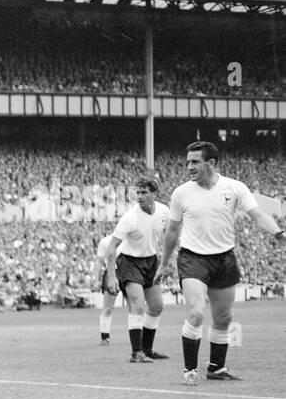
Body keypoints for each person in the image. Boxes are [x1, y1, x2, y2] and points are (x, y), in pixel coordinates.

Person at [159, 141, 286, 385]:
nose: (189, 167)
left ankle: (216, 369)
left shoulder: (235, 188)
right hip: (192, 257)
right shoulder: (181, 193)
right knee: (196, 312)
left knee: (224, 317)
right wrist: (164, 263)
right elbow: (172, 230)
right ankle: (190, 370)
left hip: (224, 257)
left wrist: (278, 233)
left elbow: (257, 215)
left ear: (211, 163)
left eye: (194, 162)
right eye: (187, 162)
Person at [103, 176, 170, 363]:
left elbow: (170, 233)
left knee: (156, 307)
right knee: (138, 304)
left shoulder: (164, 211)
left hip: (151, 261)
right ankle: (136, 353)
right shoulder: (129, 218)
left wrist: (168, 260)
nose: (139, 196)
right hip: (129, 263)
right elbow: (111, 248)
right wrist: (111, 277)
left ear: (154, 194)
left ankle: (147, 350)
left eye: (144, 192)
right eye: (138, 192)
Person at [95, 232, 123, 344]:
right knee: (108, 307)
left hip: (129, 271)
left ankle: (138, 337)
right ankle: (105, 337)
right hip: (111, 272)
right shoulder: (105, 241)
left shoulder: (130, 238)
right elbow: (100, 260)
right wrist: (96, 278)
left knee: (134, 305)